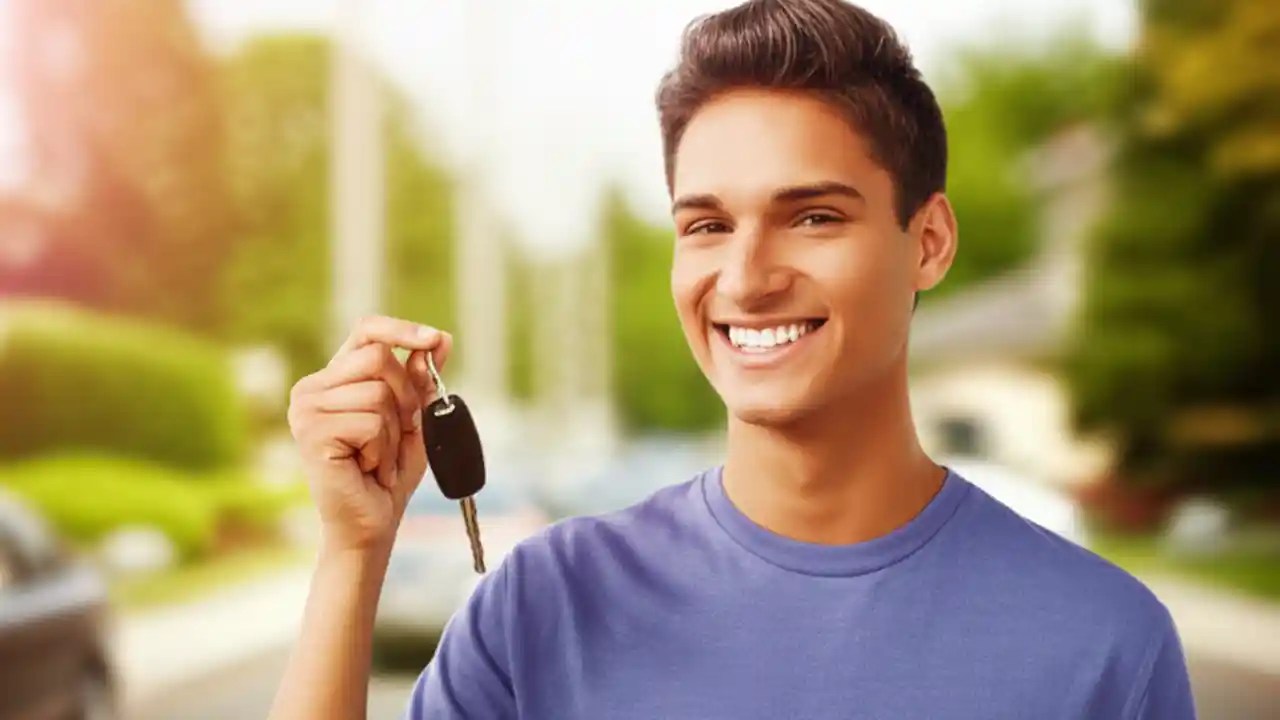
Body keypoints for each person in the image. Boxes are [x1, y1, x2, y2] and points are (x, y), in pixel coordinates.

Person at [269, 1, 1196, 718]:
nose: (746, 279)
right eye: (707, 225)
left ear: (931, 240)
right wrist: (354, 556)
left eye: (813, 216)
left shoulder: (1102, 642)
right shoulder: (543, 607)